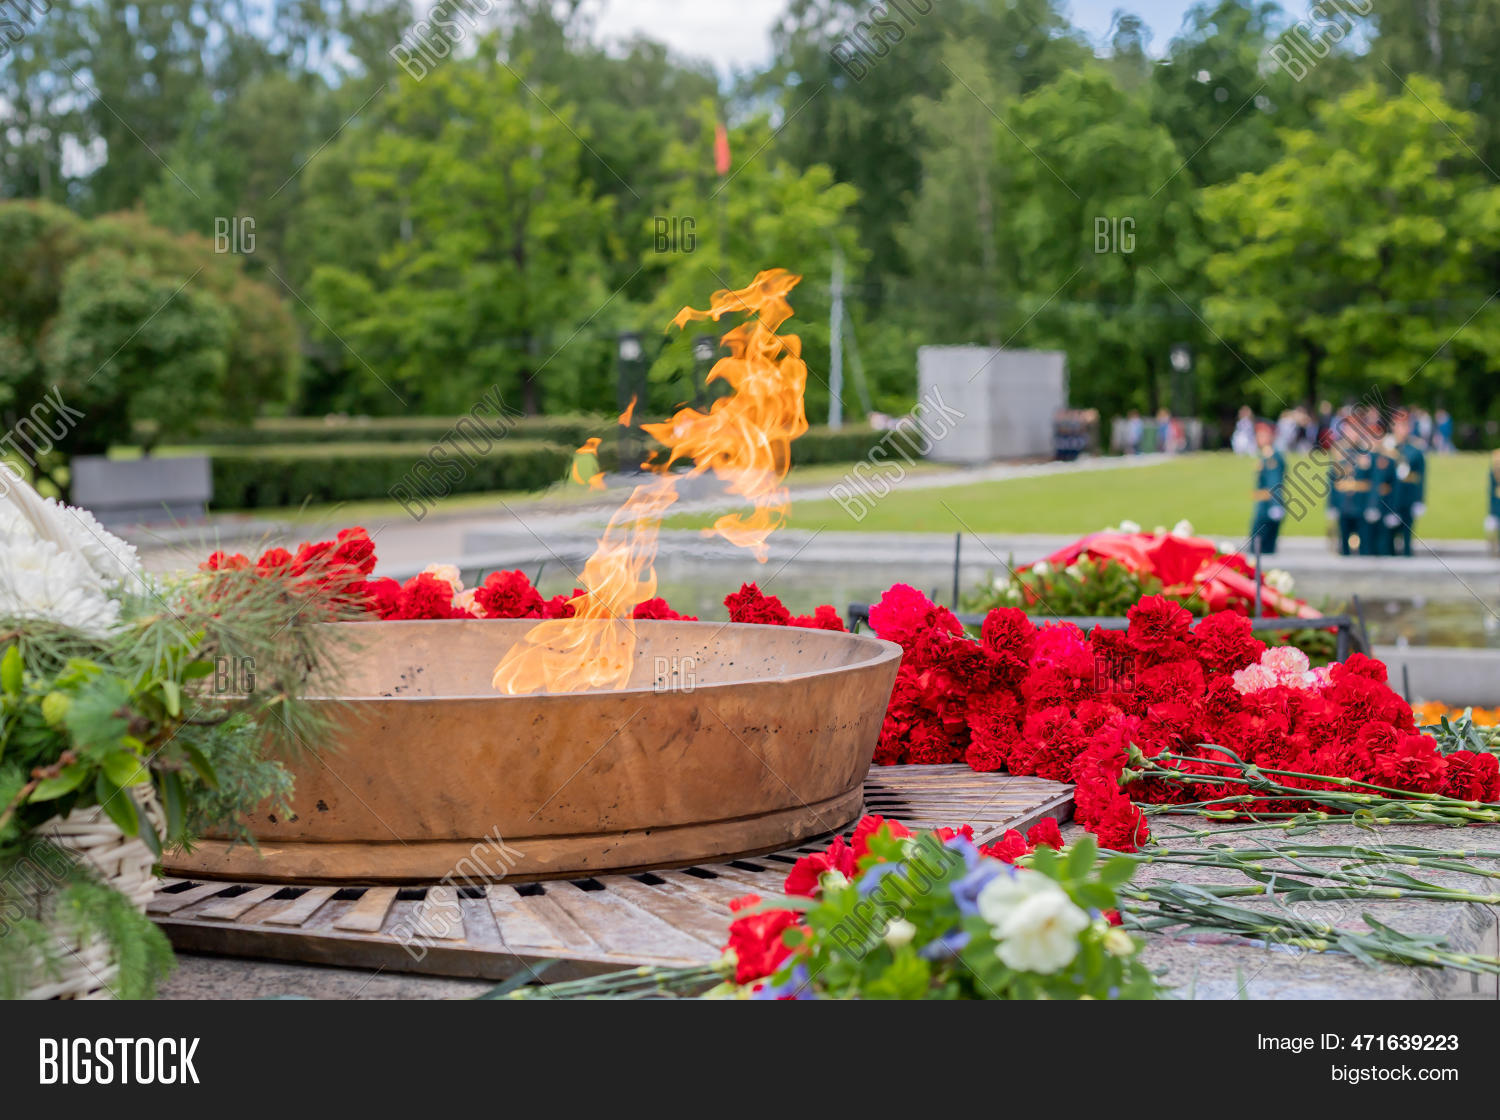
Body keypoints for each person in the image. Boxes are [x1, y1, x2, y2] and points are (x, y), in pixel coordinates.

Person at [1390, 410, 1426, 557]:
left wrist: (1420, 500)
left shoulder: (1415, 450)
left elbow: (1421, 477)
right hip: (1391, 496)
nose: (1402, 430)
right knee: (1389, 535)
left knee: (1407, 532)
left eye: (1405, 426)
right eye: (1399, 426)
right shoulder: (1388, 448)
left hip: (1409, 494)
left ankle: (1407, 555)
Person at [1327, 432, 1366, 555]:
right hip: (1343, 503)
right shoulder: (1339, 454)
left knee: (1364, 541)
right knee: (1343, 540)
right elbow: (1332, 482)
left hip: (1361, 503)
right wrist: (1332, 505)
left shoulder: (1365, 453)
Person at [1250, 421, 1286, 554]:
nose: (1258, 439)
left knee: (1259, 547)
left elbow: (1274, 482)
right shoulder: (1265, 455)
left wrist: (1275, 505)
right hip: (1264, 504)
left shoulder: (1271, 457)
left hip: (1267, 507)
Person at [1366, 421, 1400, 556]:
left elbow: (1394, 486)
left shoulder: (1388, 459)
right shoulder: (1362, 458)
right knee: (1367, 545)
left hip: (1385, 505)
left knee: (1385, 544)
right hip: (1364, 506)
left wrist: (1394, 510)